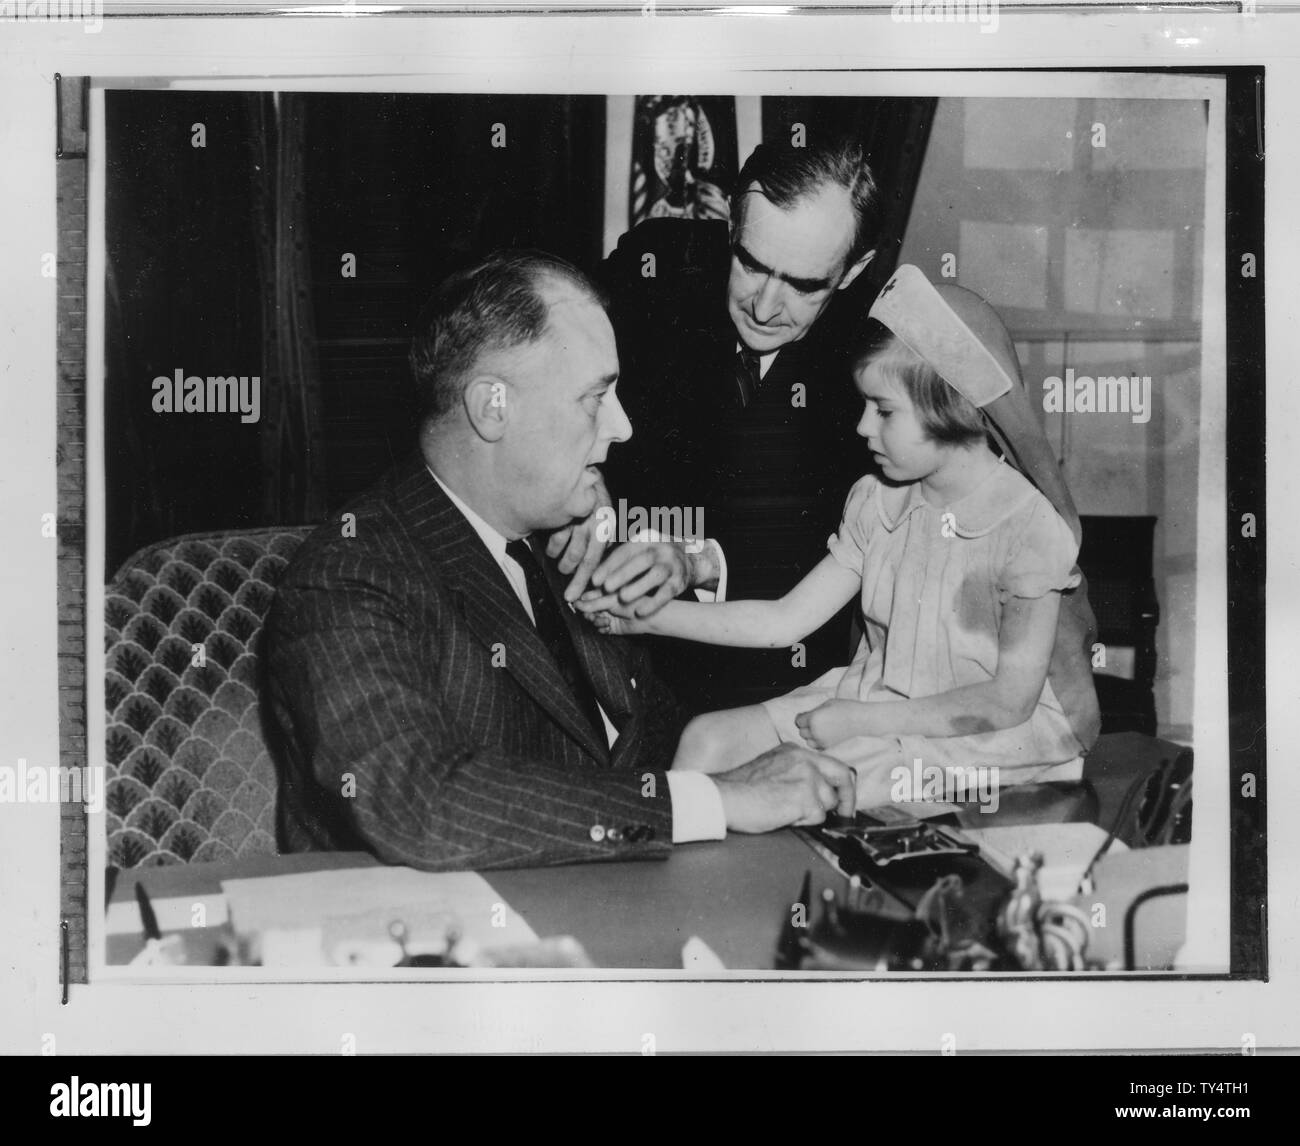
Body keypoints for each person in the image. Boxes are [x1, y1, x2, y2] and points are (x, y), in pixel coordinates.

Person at [263, 249, 856, 872]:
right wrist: (714, 799)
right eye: (594, 397)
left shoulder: (560, 530)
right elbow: (421, 805)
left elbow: (638, 740)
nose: (623, 427)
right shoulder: (351, 576)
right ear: (492, 407)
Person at [583, 265, 1101, 808]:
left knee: (821, 781)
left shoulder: (1026, 528)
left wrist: (863, 721)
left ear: (950, 406)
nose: (862, 428)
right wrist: (642, 616)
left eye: (883, 411)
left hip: (980, 738)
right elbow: (785, 621)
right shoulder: (877, 502)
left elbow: (1008, 703)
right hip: (865, 705)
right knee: (705, 741)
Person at [547, 136, 882, 714]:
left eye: (804, 285)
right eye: (750, 263)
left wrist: (696, 559)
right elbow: (538, 350)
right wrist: (579, 462)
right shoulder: (655, 262)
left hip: (763, 689)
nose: (765, 306)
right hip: (592, 657)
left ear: (854, 270)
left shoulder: (874, 358)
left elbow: (827, 545)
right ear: (731, 217)